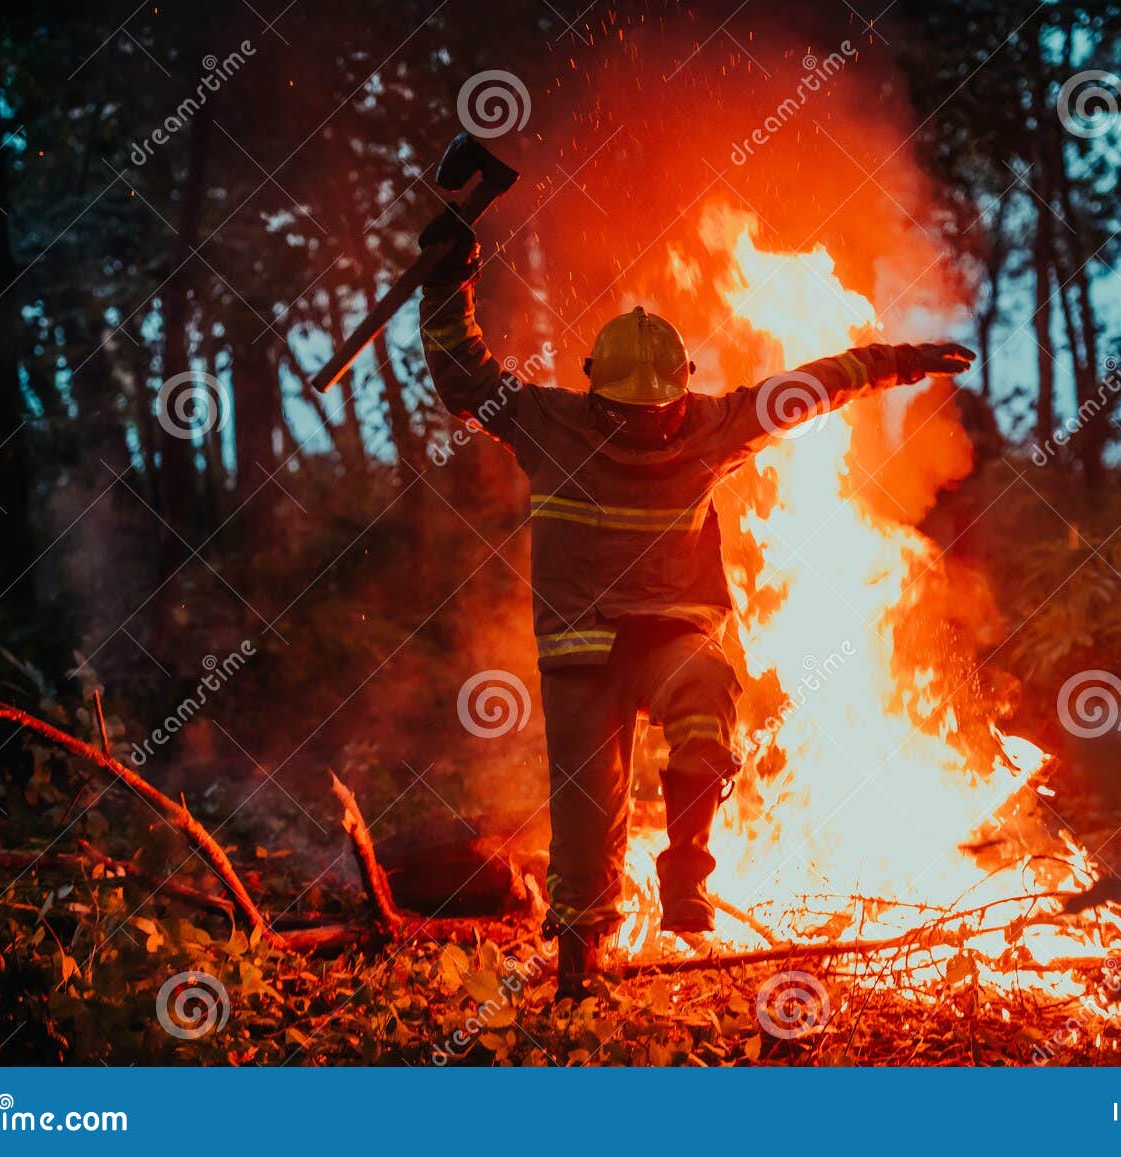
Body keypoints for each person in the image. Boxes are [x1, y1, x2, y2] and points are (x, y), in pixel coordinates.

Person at [417, 210, 974, 995]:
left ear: (685, 390)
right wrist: (448, 283)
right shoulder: (547, 422)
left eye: (664, 410)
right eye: (631, 413)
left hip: (675, 636)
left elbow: (808, 388)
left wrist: (894, 361)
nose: (651, 425)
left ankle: (686, 872)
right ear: (593, 392)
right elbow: (464, 377)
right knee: (584, 824)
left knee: (709, 700)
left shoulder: (711, 424)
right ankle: (579, 976)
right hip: (580, 653)